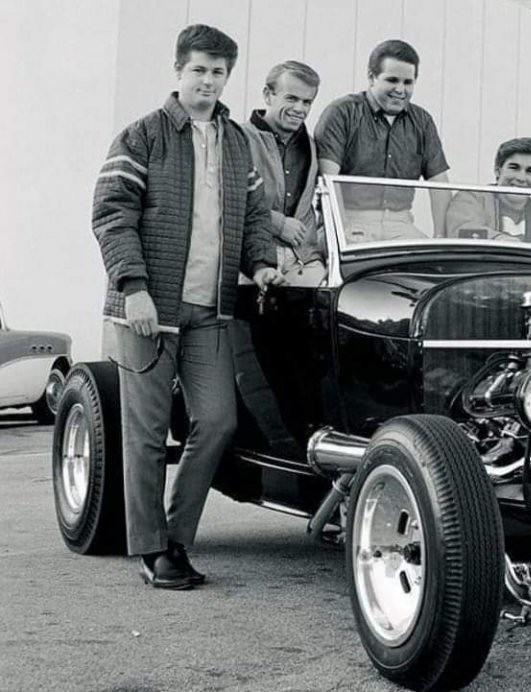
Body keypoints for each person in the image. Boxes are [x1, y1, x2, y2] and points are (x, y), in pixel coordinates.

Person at [92, 24, 282, 590]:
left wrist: (261, 264)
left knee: (219, 421)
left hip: (210, 312)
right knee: (148, 435)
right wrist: (134, 288)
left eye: (218, 72)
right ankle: (152, 551)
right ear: (179, 71)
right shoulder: (142, 136)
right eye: (199, 69)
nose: (208, 81)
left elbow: (253, 216)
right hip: (148, 310)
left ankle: (177, 537)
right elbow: (111, 215)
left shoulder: (237, 142)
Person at [314, 39, 450, 243]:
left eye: (407, 82)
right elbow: (328, 181)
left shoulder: (422, 121)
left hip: (401, 223)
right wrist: (342, 232)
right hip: (347, 220)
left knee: (431, 262)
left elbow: (440, 184)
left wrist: (441, 236)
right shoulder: (341, 113)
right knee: (361, 261)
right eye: (392, 80)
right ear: (372, 77)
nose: (400, 89)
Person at [242, 60, 325, 286]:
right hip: (253, 260)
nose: (300, 109)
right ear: (268, 95)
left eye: (307, 102)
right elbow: (226, 202)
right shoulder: (240, 138)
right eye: (291, 98)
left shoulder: (312, 145)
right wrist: (279, 224)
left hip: (304, 261)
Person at [446, 137, 531, 242]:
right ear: (497, 171)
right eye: (514, 168)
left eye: (530, 171)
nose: (521, 178)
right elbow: (461, 231)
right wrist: (499, 239)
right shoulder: (470, 198)